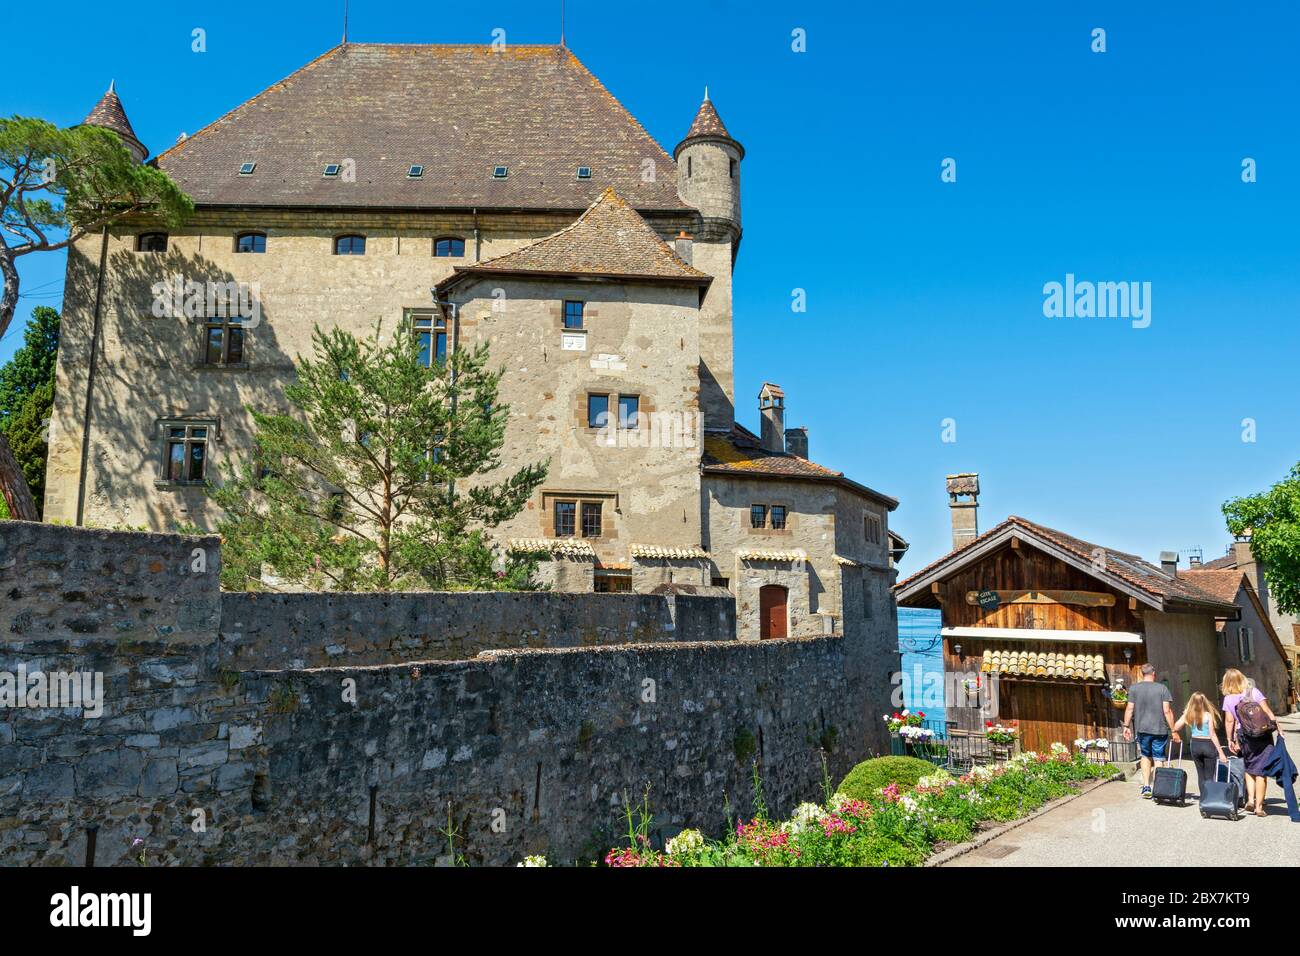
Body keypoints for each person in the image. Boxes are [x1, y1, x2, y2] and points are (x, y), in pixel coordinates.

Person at [1222, 668, 1286, 817]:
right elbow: (1268, 711)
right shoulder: (1253, 692)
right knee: (1262, 770)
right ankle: (1258, 807)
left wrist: (1229, 739)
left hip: (1244, 735)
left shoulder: (1228, 699)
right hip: (1262, 734)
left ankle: (1250, 800)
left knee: (1249, 766)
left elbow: (1229, 721)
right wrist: (1279, 728)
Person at [1123, 663, 1180, 799]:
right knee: (1159, 758)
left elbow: (1130, 709)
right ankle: (1158, 789)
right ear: (1154, 673)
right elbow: (1167, 710)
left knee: (1145, 755)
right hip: (1159, 729)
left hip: (1142, 729)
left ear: (1143, 674)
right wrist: (1173, 730)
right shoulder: (1162, 689)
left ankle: (1146, 786)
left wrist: (1126, 726)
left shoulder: (1134, 689)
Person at [1173, 692, 1226, 794]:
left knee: (1200, 774)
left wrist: (1185, 714)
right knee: (1209, 775)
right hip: (1208, 744)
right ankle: (1210, 798)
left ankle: (1203, 798)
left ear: (1191, 702)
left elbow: (1176, 727)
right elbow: (1212, 734)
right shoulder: (1208, 715)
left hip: (1195, 745)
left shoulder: (1189, 715)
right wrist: (1221, 752)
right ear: (1203, 702)